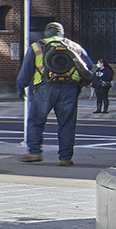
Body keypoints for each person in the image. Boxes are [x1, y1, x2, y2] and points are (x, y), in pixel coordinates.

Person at [20, 19, 98, 164]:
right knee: (67, 123)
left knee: (36, 121)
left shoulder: (36, 46)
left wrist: (21, 87)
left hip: (45, 87)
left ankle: (34, 152)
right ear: (62, 33)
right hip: (70, 88)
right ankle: (65, 157)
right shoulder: (74, 46)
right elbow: (89, 65)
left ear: (46, 33)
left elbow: (26, 72)